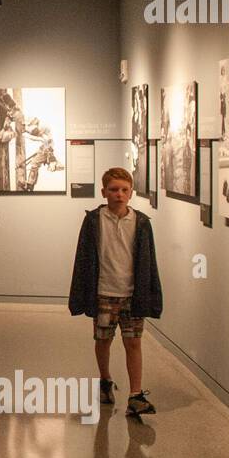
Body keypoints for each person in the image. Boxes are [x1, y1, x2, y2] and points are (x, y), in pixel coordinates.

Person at [68, 167, 163, 418]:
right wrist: (81, 293)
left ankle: (135, 393)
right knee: (103, 340)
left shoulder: (141, 222)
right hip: (104, 292)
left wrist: (150, 294)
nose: (119, 195)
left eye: (124, 190)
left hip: (132, 294)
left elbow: (149, 261)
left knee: (133, 342)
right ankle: (105, 380)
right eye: (113, 190)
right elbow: (84, 258)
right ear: (104, 192)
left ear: (131, 192)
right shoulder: (94, 220)